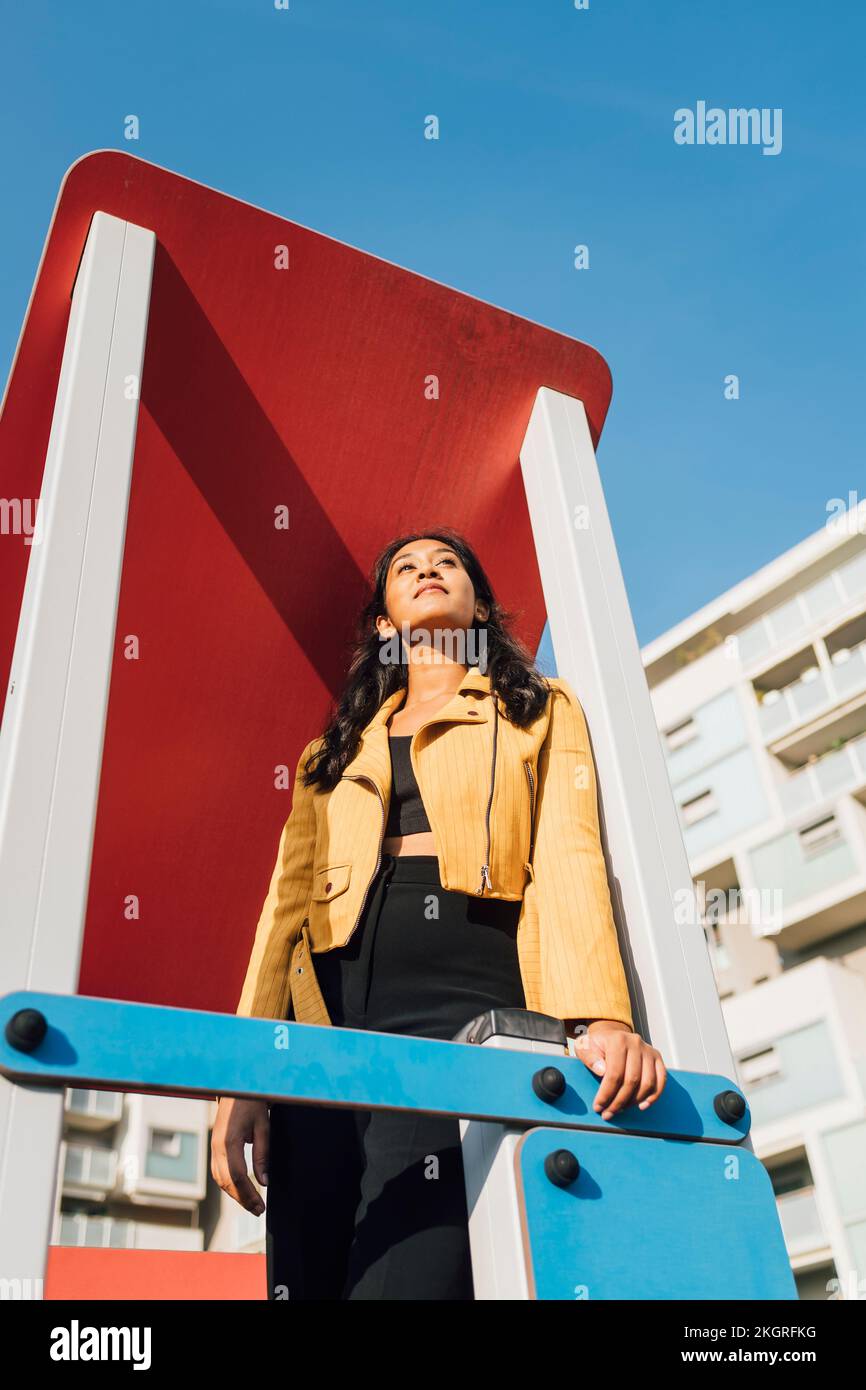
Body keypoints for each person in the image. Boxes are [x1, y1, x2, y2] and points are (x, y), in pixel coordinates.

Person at [210, 526, 667, 1300]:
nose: (427, 572)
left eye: (446, 565)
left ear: (479, 608)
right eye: (407, 569)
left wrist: (601, 1016)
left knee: (411, 1271)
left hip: (464, 1001)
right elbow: (282, 908)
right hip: (324, 1015)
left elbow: (567, 856)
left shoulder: (537, 708)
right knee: (308, 1276)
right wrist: (244, 1077)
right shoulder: (332, 751)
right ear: (384, 624)